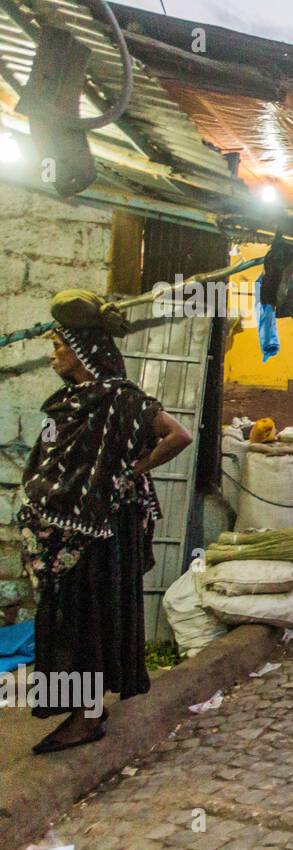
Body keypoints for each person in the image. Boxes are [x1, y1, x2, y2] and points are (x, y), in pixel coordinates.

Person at [20, 291, 192, 754]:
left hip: (97, 534)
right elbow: (53, 456)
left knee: (85, 619)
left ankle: (87, 716)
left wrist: (130, 472)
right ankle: (84, 709)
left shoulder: (120, 399)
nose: (53, 354)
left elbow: (179, 435)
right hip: (67, 529)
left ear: (81, 351)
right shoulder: (69, 402)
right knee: (68, 619)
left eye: (59, 346)